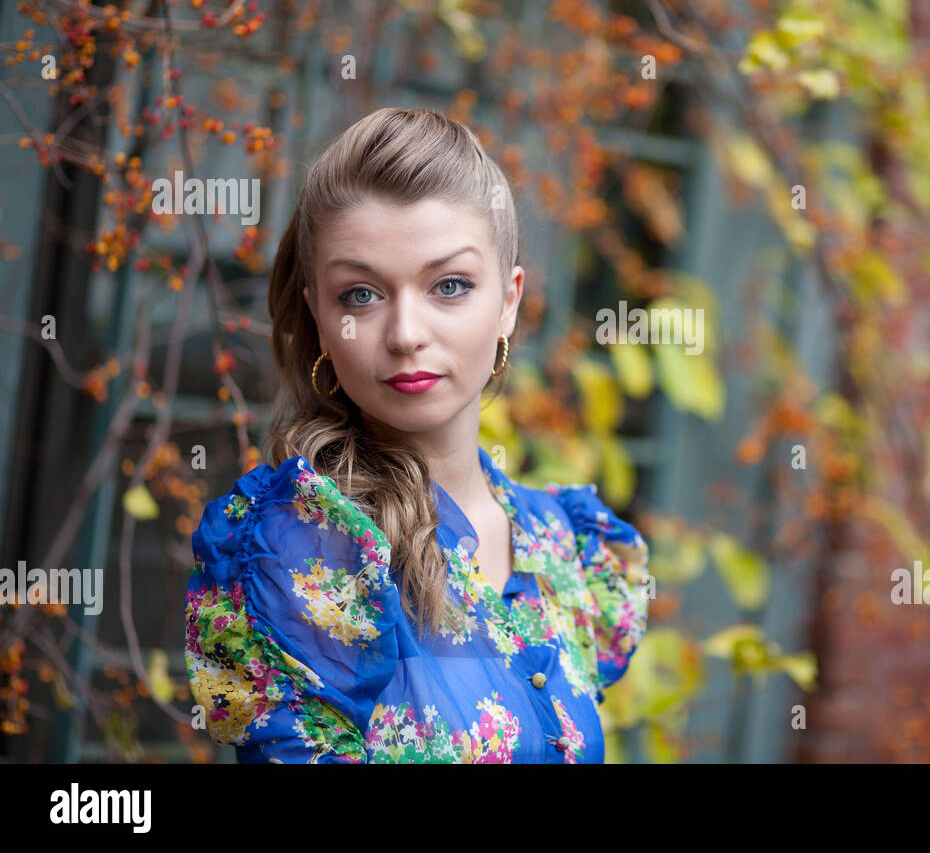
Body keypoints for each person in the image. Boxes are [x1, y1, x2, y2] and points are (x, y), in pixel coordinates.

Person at [183, 107, 649, 763]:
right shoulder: (305, 547)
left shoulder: (563, 545)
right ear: (318, 315)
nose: (406, 334)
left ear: (509, 301)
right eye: (362, 296)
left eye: (449, 286)